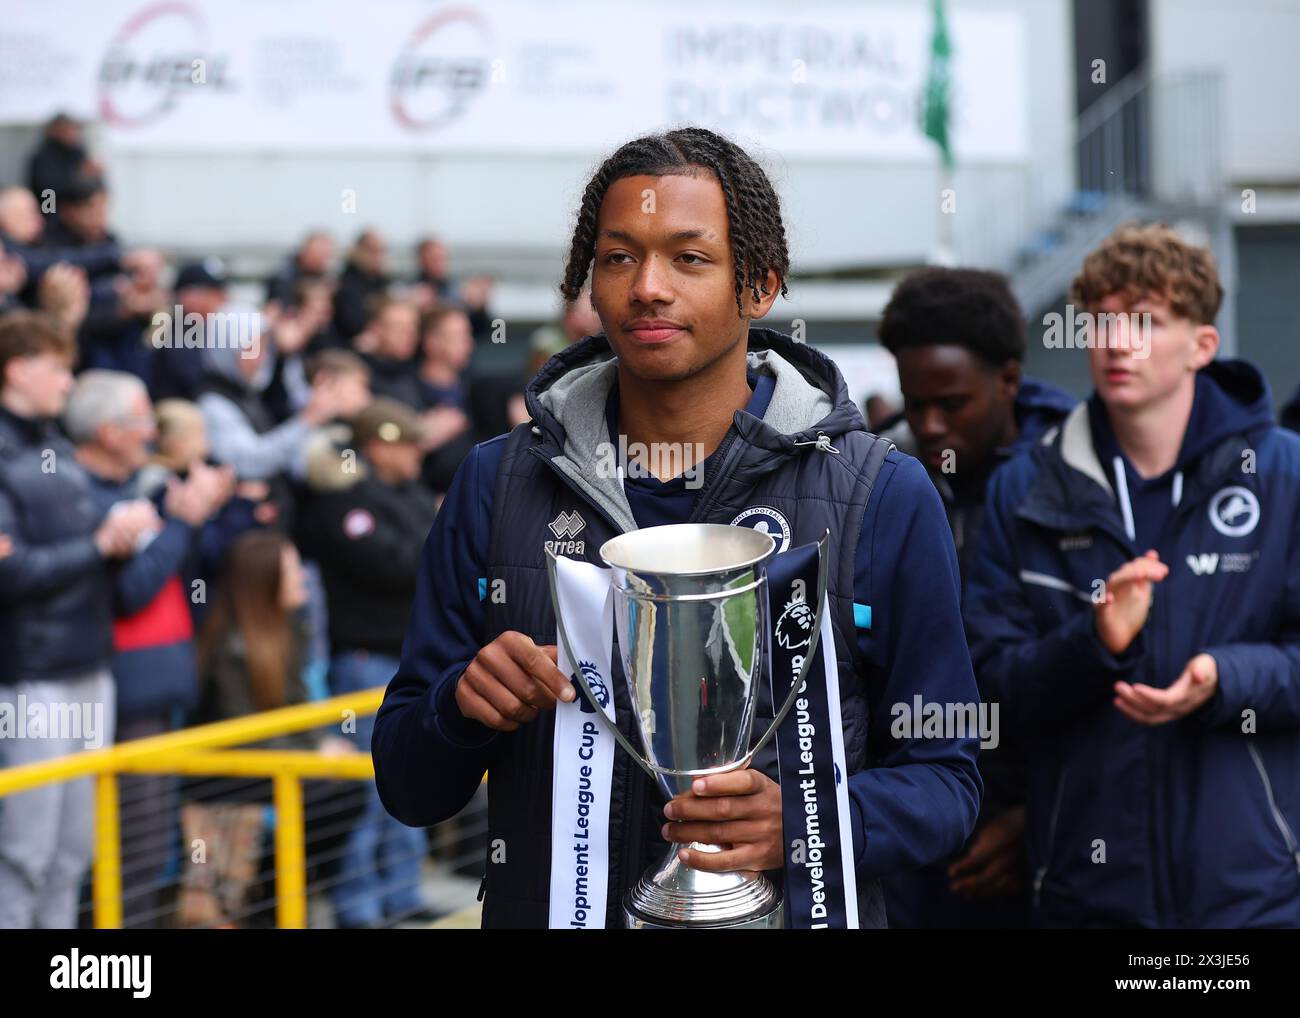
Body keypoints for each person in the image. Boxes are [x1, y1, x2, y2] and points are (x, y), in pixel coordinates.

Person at [372, 127, 982, 928]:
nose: (648, 287)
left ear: (758, 286)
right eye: (619, 258)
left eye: (689, 258)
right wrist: (460, 707)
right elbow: (409, 787)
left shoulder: (882, 492)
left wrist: (808, 824)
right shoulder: (497, 482)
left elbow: (947, 779)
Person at [966, 222, 1300, 928]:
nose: (1117, 343)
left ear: (1202, 345)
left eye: (1145, 322)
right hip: (1086, 897)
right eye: (1103, 323)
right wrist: (1095, 643)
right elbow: (989, 689)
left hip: (1252, 897)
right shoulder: (1023, 488)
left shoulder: (1286, 475)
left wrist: (1225, 678)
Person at [876, 266, 1076, 928]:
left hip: (1051, 848)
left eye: (952, 404)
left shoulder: (1080, 485)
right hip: (911, 840)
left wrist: (1035, 821)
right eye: (913, 402)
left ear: (1009, 381)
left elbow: (1104, 683)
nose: (930, 425)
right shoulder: (879, 483)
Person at [0, 312, 156, 928]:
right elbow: (8, 572)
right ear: (17, 370)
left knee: (72, 852)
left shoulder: (55, 447)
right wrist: (101, 545)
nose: (68, 384)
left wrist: (117, 540)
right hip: (31, 675)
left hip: (90, 662)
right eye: (56, 369)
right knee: (25, 851)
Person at [66, 370, 233, 927]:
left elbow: (185, 573)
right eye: (141, 421)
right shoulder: (82, 493)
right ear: (109, 431)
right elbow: (132, 592)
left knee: (149, 841)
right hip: (126, 690)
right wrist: (182, 522)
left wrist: (194, 519)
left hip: (157, 682)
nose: (150, 435)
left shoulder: (133, 488)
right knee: (126, 848)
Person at [300, 399, 439, 928]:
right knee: (366, 792)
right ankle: (359, 908)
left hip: (406, 660)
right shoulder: (347, 503)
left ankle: (403, 897)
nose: (416, 455)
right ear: (379, 445)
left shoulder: (407, 495)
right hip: (363, 663)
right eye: (407, 443)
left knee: (410, 780)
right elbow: (397, 567)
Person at [187, 530, 361, 928]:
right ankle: (270, 902)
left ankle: (276, 899)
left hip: (272, 760)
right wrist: (313, 755)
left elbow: (298, 710)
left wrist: (323, 745)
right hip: (224, 772)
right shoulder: (227, 646)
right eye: (292, 570)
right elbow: (247, 733)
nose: (302, 578)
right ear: (264, 580)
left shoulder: (289, 628)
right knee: (334, 797)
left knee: (347, 791)